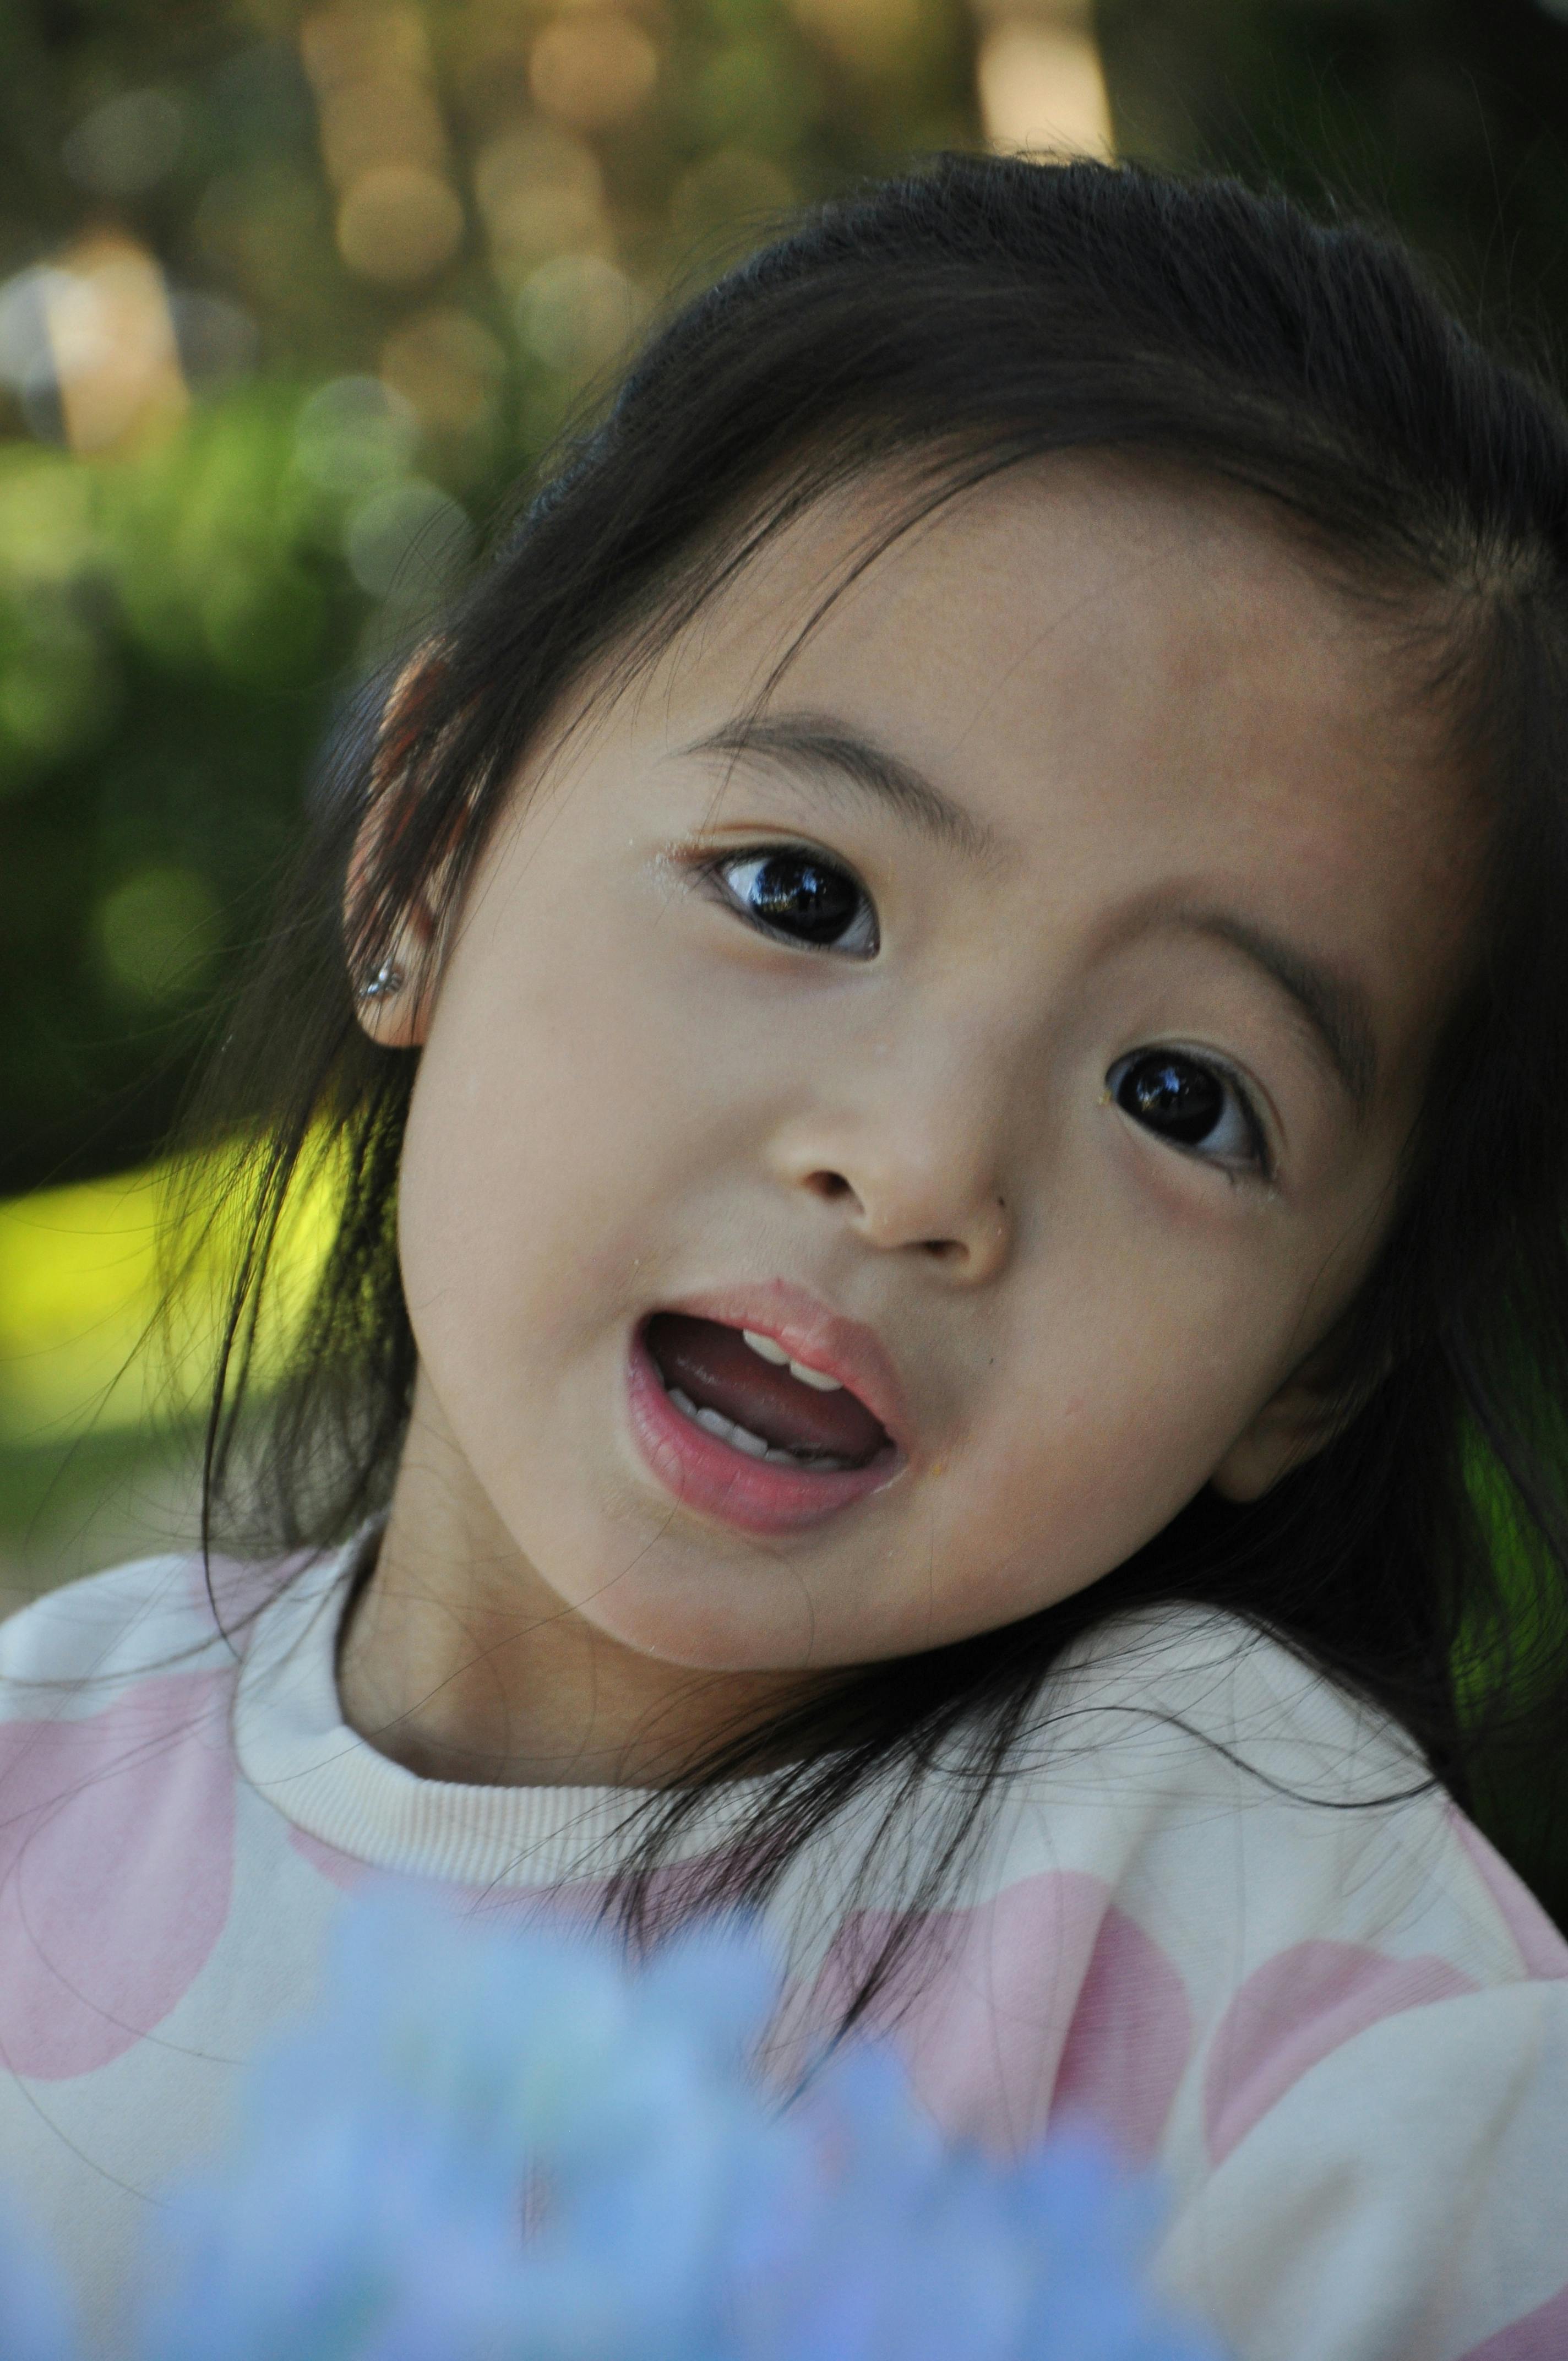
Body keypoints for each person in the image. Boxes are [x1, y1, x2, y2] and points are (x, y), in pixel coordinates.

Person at [3, 154, 1567, 2360]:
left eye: (1179, 1094)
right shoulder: (36, 1790)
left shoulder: (1300, 1989)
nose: (918, 1168)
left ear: (1320, 1355)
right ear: (427, 852)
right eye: (800, 895)